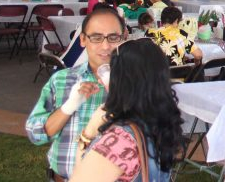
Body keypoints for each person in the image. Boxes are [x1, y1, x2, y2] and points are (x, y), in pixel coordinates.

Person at [26, 6, 126, 181]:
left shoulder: (136, 82)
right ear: (82, 40)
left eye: (113, 37)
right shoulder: (62, 80)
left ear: (123, 38)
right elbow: (36, 134)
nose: (105, 46)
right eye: (96, 37)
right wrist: (68, 107)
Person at [70, 39, 184, 181]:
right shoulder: (159, 121)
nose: (102, 79)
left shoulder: (119, 142)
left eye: (111, 70)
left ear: (122, 80)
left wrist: (88, 133)